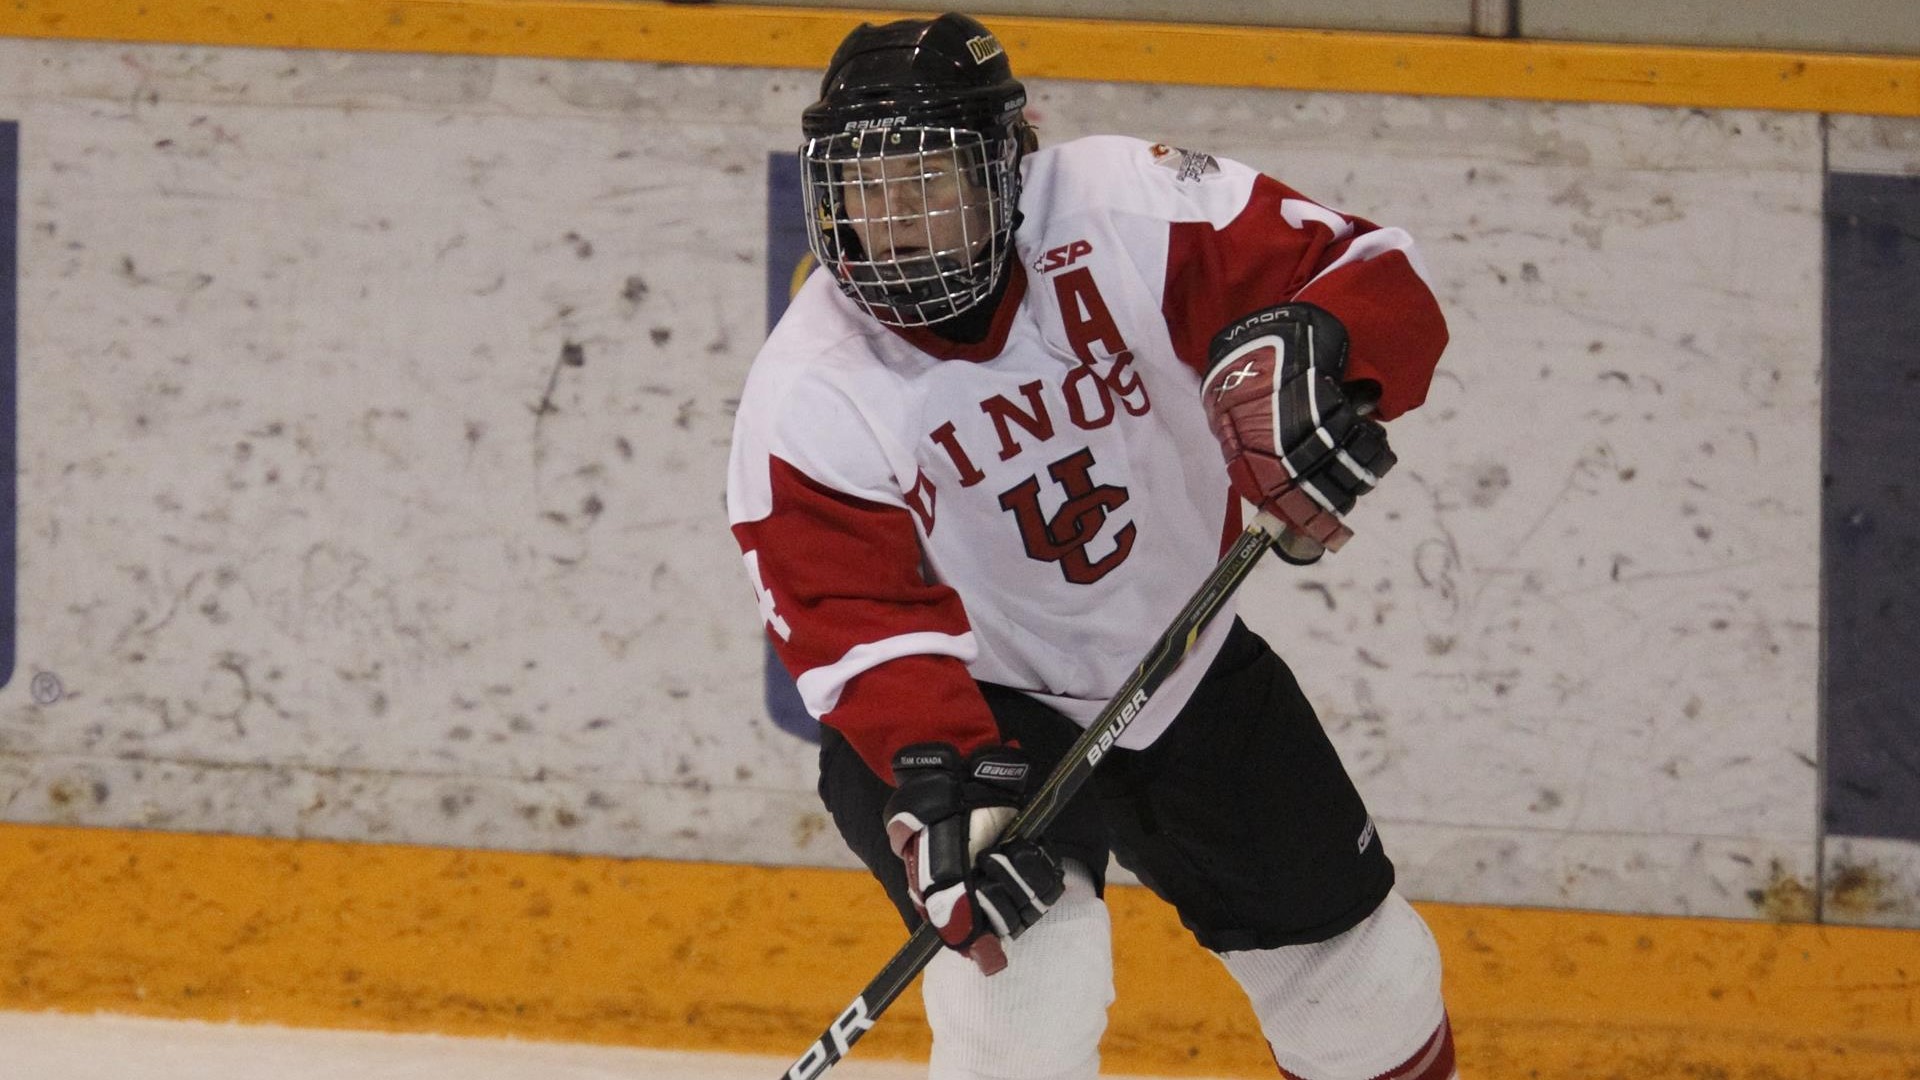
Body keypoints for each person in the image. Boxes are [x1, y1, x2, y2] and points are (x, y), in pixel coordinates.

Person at [727, 13, 1455, 1080]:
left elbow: (1364, 266)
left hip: (1183, 663)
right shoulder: (808, 388)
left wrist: (1332, 352)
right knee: (1027, 991)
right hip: (971, 711)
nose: (894, 223)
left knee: (1364, 983)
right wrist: (939, 782)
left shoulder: (1127, 208)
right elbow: (853, 626)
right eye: (865, 192)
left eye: (929, 181)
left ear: (1010, 160)